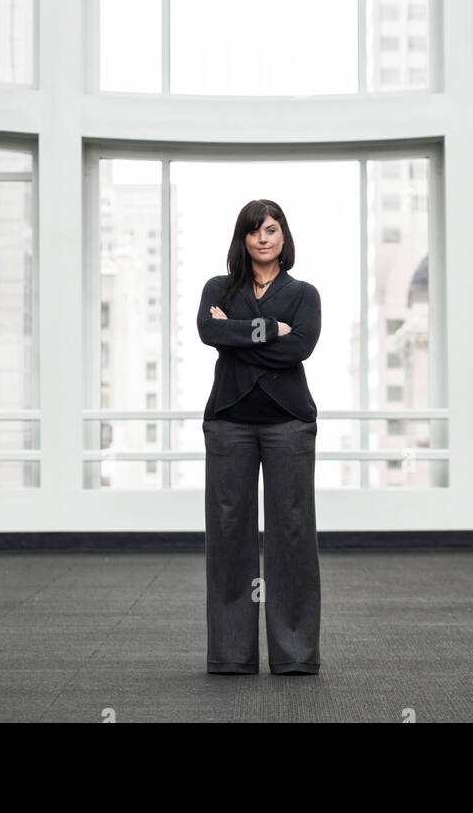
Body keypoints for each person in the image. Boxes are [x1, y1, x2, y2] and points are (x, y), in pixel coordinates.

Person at [196, 198, 322, 676]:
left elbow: (301, 347)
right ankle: (231, 653)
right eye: (254, 231)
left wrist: (239, 334)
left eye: (271, 229)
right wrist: (270, 330)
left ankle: (295, 654)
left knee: (292, 532)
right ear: (243, 239)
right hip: (229, 420)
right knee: (229, 533)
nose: (263, 238)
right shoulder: (218, 288)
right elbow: (209, 332)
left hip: (289, 421)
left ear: (283, 237)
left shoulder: (304, 293)